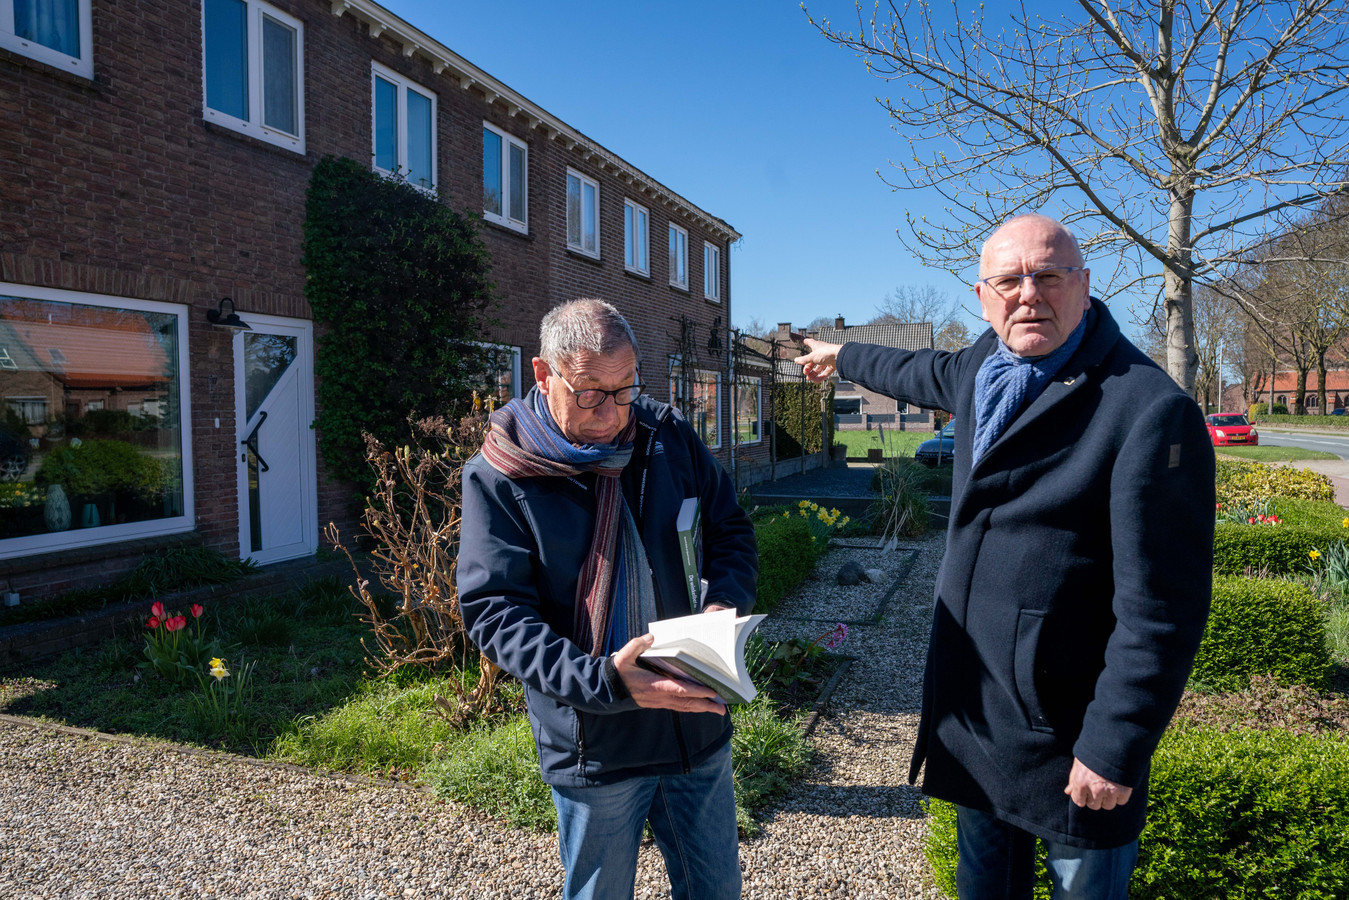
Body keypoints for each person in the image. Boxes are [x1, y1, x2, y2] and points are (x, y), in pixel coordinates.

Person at [795, 215, 1214, 899]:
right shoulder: (982, 366)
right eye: (1007, 281)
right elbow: (910, 369)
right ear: (981, 295)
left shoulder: (1144, 407)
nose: (1027, 294)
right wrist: (841, 355)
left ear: (1081, 285)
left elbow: (1162, 606)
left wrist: (1113, 746)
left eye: (1047, 276)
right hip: (980, 720)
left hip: (1069, 736)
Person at [457, 298, 757, 900]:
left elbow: (729, 527)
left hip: (693, 725)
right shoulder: (501, 475)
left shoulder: (662, 434)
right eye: (592, 392)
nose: (614, 414)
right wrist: (607, 682)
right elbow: (494, 611)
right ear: (544, 375)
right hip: (595, 741)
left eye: (625, 391)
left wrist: (723, 603)